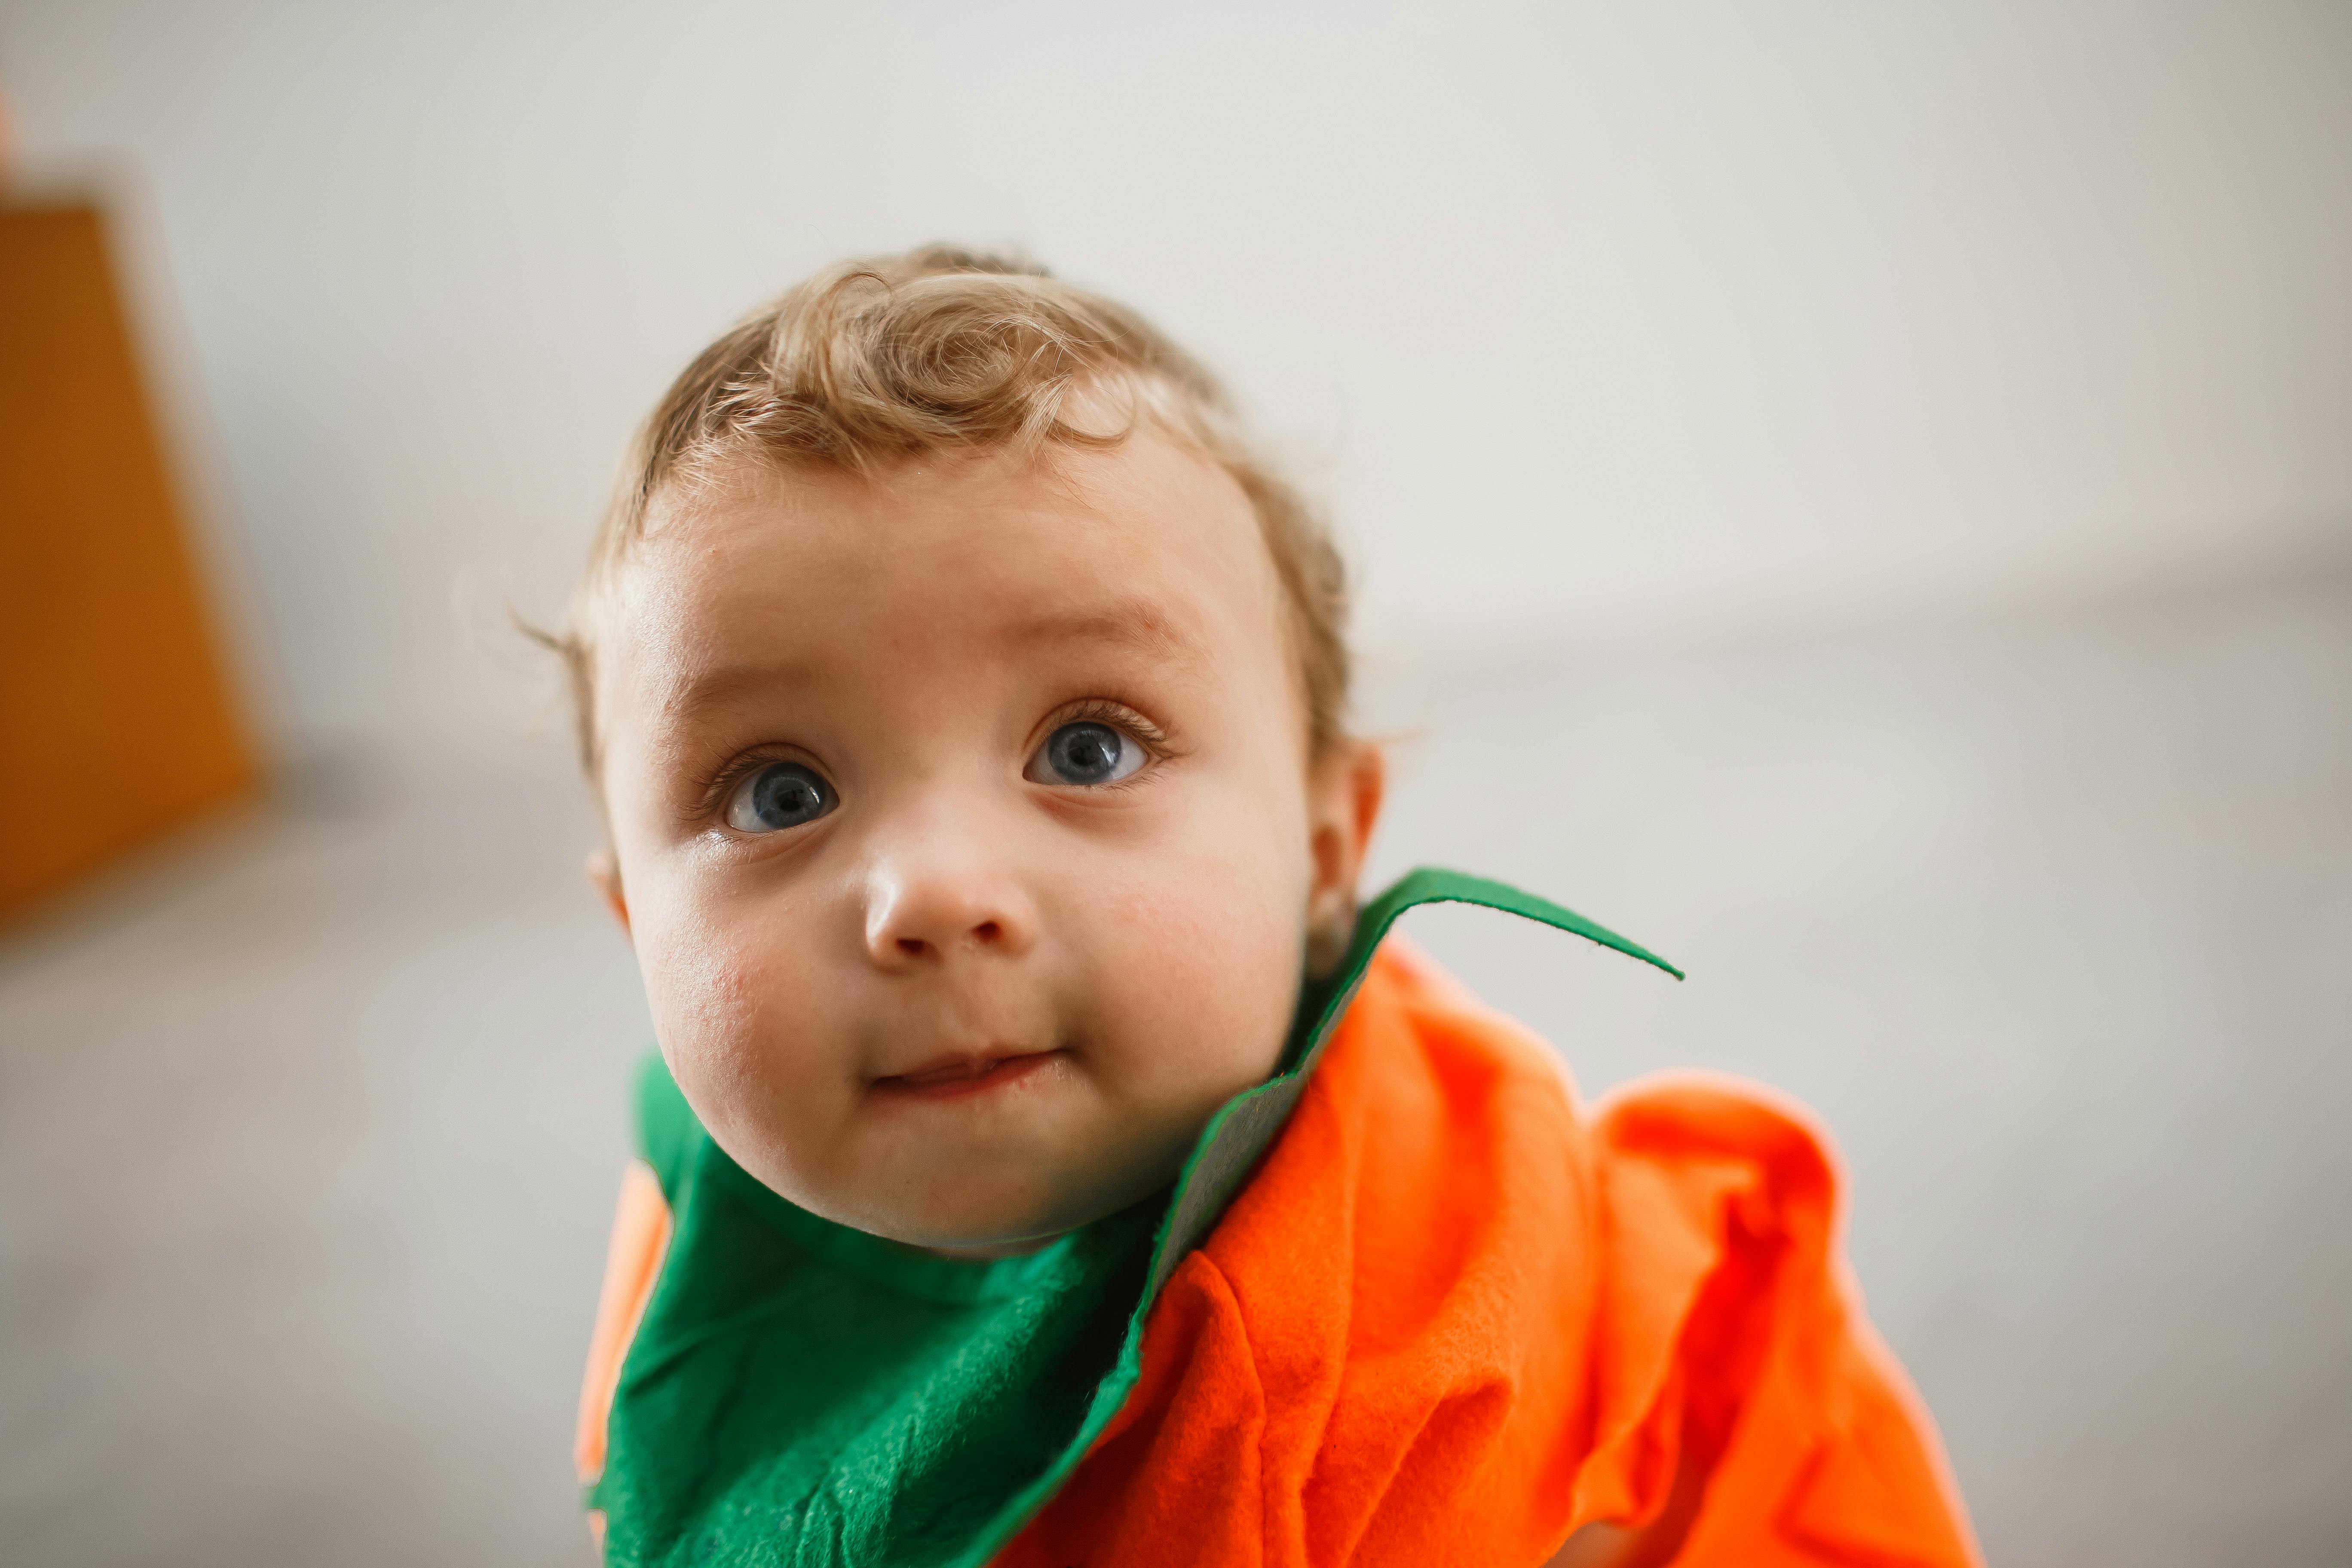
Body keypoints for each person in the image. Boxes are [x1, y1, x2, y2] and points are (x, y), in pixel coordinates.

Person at [553, 246, 1980, 1567]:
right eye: (779, 794)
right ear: (635, 929)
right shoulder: (698, 1196)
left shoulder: (1396, 1373)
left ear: (1323, 850)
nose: (934, 894)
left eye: (1087, 750)